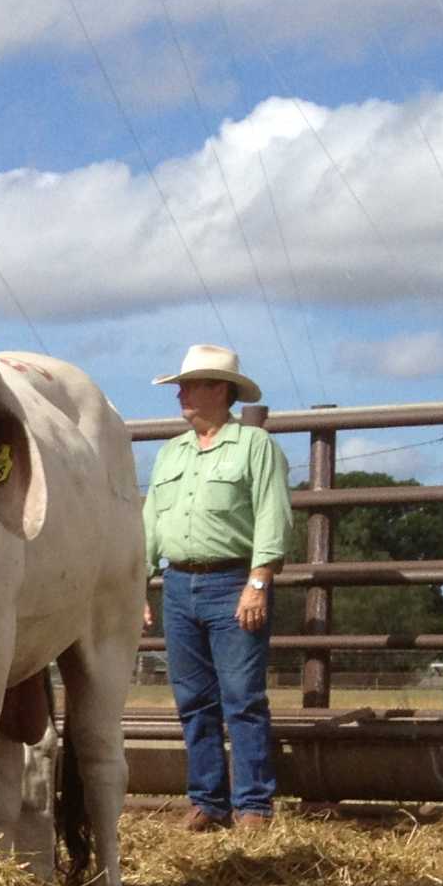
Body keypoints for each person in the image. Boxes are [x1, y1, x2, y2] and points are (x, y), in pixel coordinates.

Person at [143, 343, 294, 832]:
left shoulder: (255, 446)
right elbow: (152, 521)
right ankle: (208, 801)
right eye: (182, 386)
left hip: (233, 580)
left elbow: (272, 514)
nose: (181, 394)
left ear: (220, 390)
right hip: (177, 583)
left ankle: (253, 805)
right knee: (192, 699)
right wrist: (141, 582)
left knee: (242, 697)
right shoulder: (171, 453)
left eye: (191, 385)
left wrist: (258, 581)